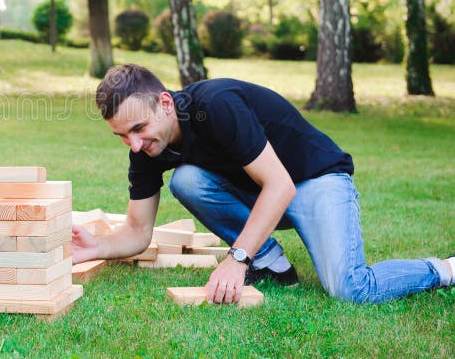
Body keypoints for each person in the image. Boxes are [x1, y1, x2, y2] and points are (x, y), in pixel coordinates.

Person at [71, 63, 454, 304]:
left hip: (316, 182)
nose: (135, 145)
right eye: (122, 136)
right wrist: (96, 247)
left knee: (351, 289)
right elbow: (138, 230)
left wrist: (236, 259)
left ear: (166, 104)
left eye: (138, 129)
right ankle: (272, 264)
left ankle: (444, 269)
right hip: (266, 195)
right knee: (186, 180)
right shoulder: (145, 149)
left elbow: (280, 185)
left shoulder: (216, 104)